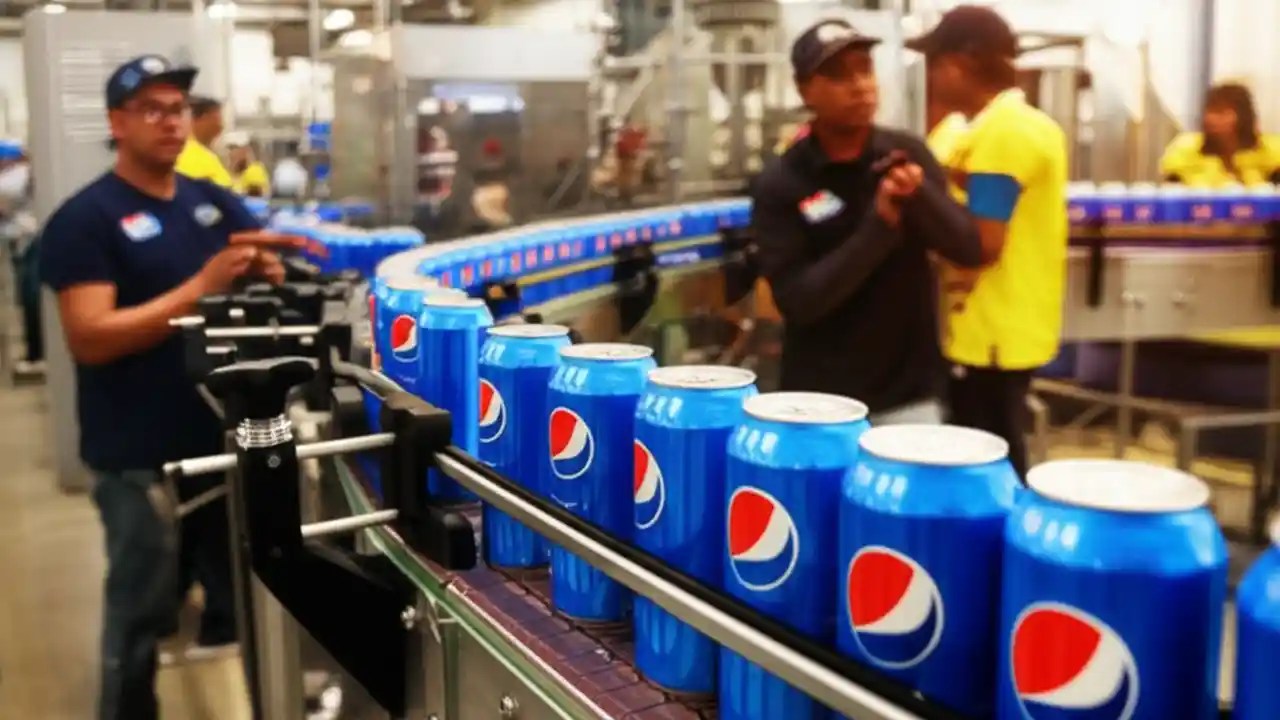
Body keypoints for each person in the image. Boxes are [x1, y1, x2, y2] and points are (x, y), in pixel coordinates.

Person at [39, 55, 299, 720]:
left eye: (178, 108)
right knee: (140, 605)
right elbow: (89, 335)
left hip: (217, 441)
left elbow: (251, 254)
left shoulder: (206, 200)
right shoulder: (86, 219)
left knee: (235, 589)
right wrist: (200, 288)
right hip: (137, 454)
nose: (170, 121)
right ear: (117, 122)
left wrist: (262, 268)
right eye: (151, 109)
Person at [751, 19, 983, 425]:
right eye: (839, 75)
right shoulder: (782, 183)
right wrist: (879, 227)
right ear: (805, 89)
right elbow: (799, 301)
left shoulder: (906, 154)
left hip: (908, 397)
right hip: (819, 405)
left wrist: (920, 195)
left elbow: (968, 248)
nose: (860, 84)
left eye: (865, 69)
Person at [907, 5, 1069, 477]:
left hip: (995, 330)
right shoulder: (970, 130)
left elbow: (983, 242)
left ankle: (1005, 547)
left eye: (935, 64)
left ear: (960, 63)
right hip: (974, 325)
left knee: (992, 457)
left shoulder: (1009, 132)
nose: (932, 77)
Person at [1160, 82, 1280, 187]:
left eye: (1222, 113)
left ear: (1244, 116)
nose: (1213, 119)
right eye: (1211, 111)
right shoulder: (1185, 149)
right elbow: (1171, 197)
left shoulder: (1272, 151)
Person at [175, 95, 232, 187]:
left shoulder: (202, 155)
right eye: (219, 118)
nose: (222, 126)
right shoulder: (194, 157)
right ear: (204, 117)